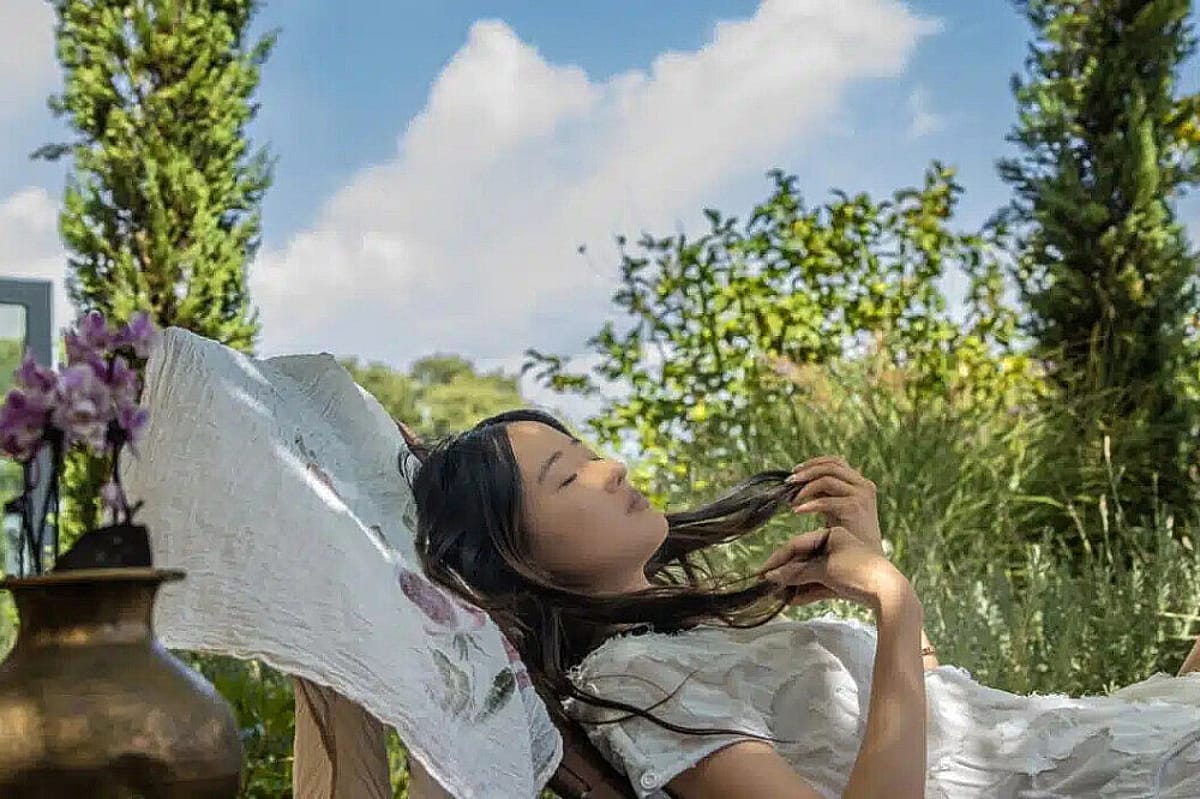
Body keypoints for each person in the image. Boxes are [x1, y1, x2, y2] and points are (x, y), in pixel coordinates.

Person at [406, 408, 1200, 798]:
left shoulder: (683, 639)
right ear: (518, 556)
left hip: (1109, 741)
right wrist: (894, 604)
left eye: (585, 449)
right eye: (566, 476)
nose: (610, 466)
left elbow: (949, 726)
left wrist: (875, 560)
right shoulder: (633, 680)